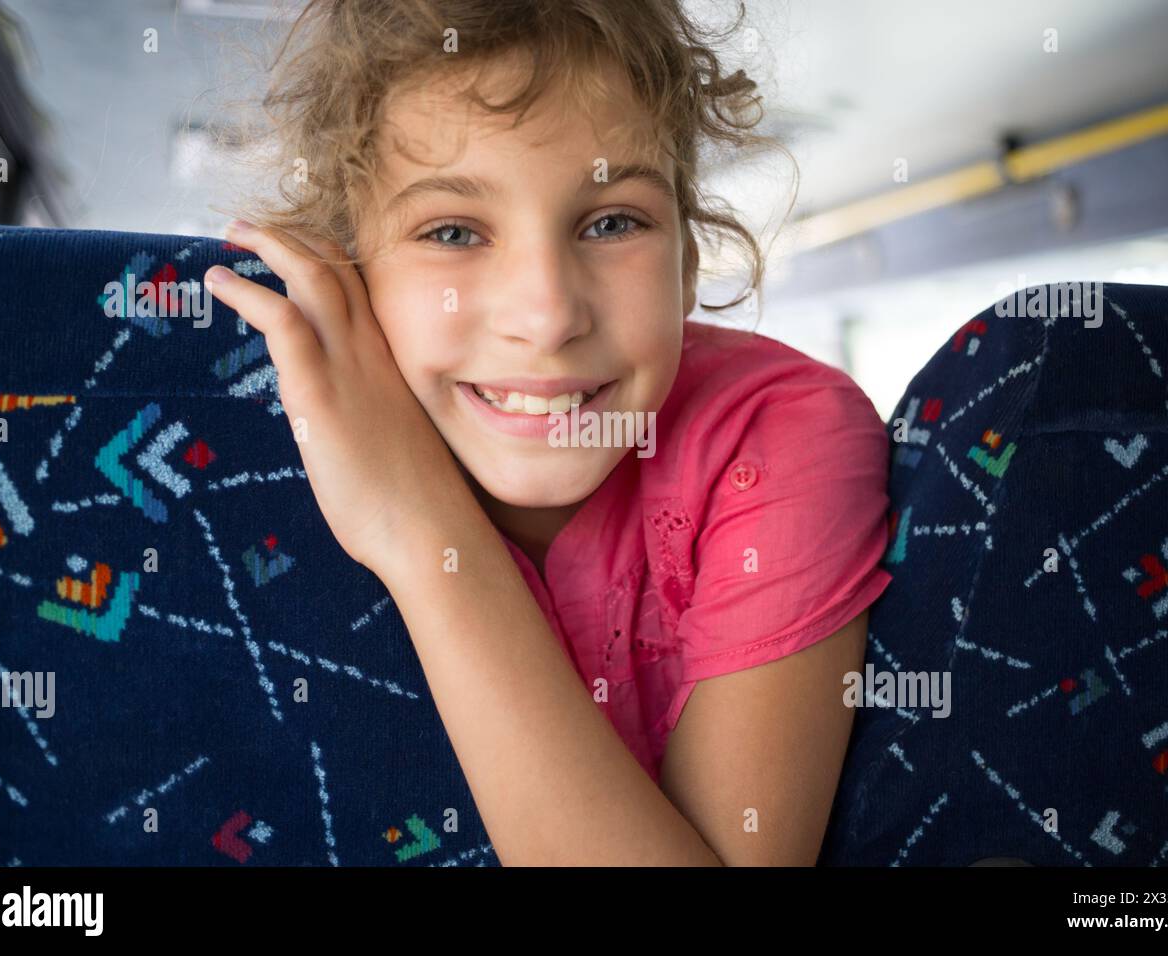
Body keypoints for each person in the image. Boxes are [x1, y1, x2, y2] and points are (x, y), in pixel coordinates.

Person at [203, 0, 893, 866]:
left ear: (685, 262)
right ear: (351, 276)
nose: (547, 315)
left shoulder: (781, 433)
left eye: (612, 223)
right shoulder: (245, 451)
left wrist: (420, 533)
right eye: (453, 232)